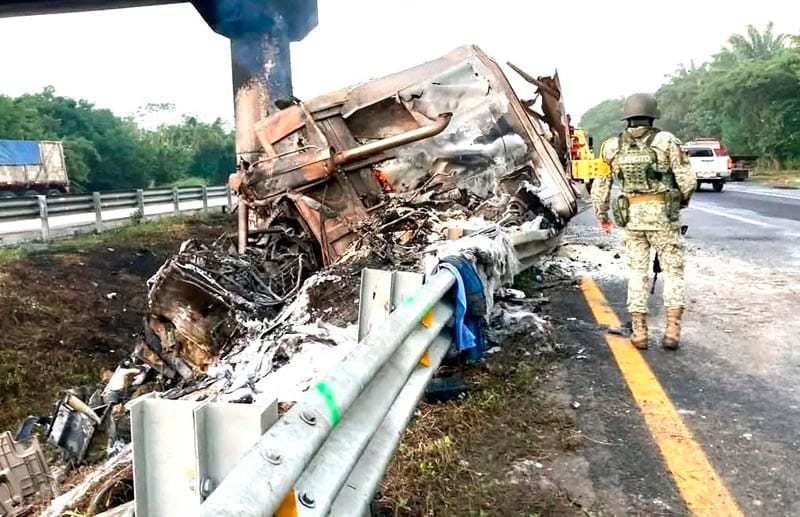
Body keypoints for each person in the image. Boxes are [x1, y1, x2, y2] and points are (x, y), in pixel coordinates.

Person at [591, 93, 696, 350]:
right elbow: (688, 180)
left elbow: (600, 186)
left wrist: (603, 216)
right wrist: (681, 201)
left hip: (632, 220)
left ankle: (639, 333)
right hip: (663, 218)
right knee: (673, 272)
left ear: (626, 117)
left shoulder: (610, 146)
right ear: (651, 115)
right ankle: (672, 331)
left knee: (637, 273)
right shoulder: (667, 141)